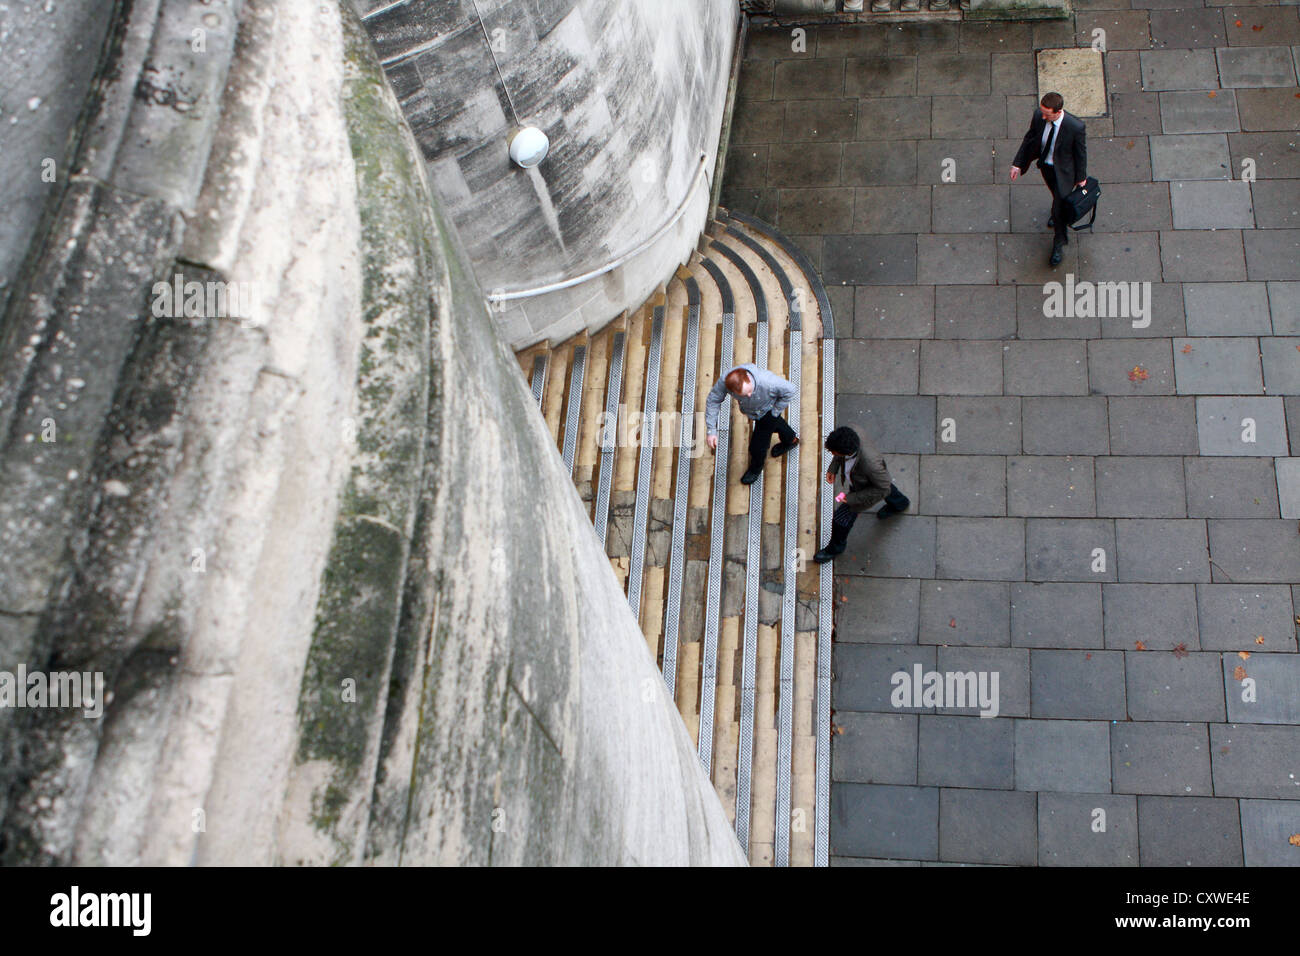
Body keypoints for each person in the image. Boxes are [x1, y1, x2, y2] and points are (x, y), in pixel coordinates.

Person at [1010, 91, 1087, 268]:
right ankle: (1056, 211)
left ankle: (1059, 243)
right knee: (1056, 197)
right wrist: (1018, 163)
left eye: (1047, 114)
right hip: (1046, 166)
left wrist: (1081, 177)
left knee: (1060, 210)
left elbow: (1080, 153)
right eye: (1042, 112)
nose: (1043, 116)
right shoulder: (1039, 116)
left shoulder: (1075, 127)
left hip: (1065, 173)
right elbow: (1029, 139)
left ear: (1058, 111)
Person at [812, 424, 909, 564]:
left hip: (862, 489)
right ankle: (900, 503)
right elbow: (840, 455)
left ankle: (835, 548)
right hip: (869, 479)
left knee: (840, 520)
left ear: (845, 451)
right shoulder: (852, 433)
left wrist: (851, 498)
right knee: (884, 485)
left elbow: (882, 488)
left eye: (834, 453)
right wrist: (833, 468)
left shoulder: (870, 466)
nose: (833, 455)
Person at [704, 364, 798, 485]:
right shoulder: (726, 381)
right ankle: (791, 439)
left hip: (767, 411)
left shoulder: (768, 382)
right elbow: (713, 400)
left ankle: (755, 469)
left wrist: (775, 411)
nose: (749, 395)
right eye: (744, 394)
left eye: (750, 390)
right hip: (755, 413)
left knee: (757, 447)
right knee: (777, 424)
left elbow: (791, 389)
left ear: (749, 377)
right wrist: (711, 430)